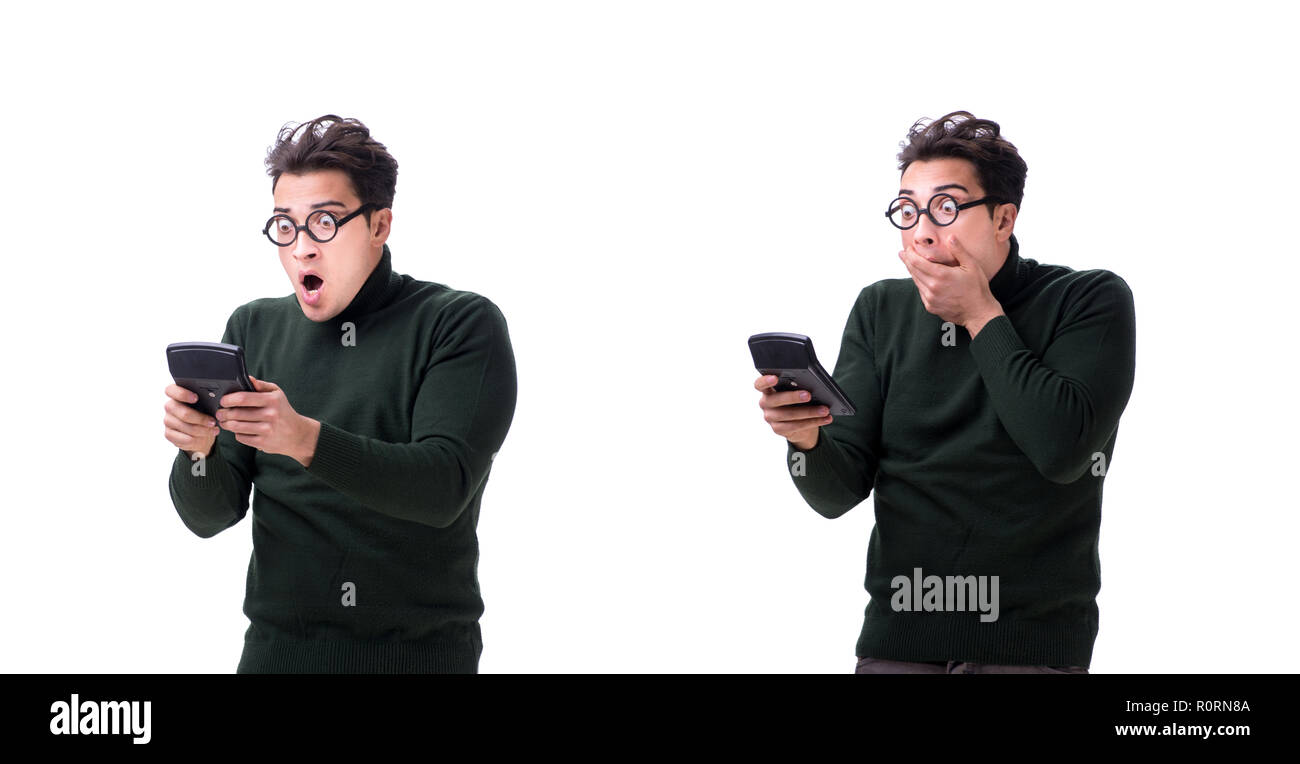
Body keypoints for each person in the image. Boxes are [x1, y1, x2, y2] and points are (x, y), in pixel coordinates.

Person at [755, 111, 1135, 674]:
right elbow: (837, 495)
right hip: (899, 643)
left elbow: (1062, 450)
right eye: (908, 210)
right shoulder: (881, 309)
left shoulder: (1087, 299)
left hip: (1033, 649)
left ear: (1004, 218)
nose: (924, 230)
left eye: (948, 207)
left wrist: (981, 314)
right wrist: (807, 441)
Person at [164, 115, 517, 673]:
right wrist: (198, 451)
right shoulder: (254, 328)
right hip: (274, 659)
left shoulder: (457, 323)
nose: (302, 248)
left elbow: (441, 487)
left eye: (324, 222)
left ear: (380, 225)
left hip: (417, 660)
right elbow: (210, 517)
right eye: (285, 225)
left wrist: (303, 439)